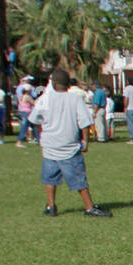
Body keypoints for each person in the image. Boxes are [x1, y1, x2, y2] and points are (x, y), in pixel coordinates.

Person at [29, 68, 111, 217]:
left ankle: (51, 205)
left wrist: (42, 133)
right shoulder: (74, 99)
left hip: (49, 146)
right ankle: (89, 207)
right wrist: (85, 141)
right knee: (79, 179)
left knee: (49, 178)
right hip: (69, 147)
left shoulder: (45, 99)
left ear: (53, 83)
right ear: (68, 84)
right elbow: (84, 123)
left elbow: (34, 119)